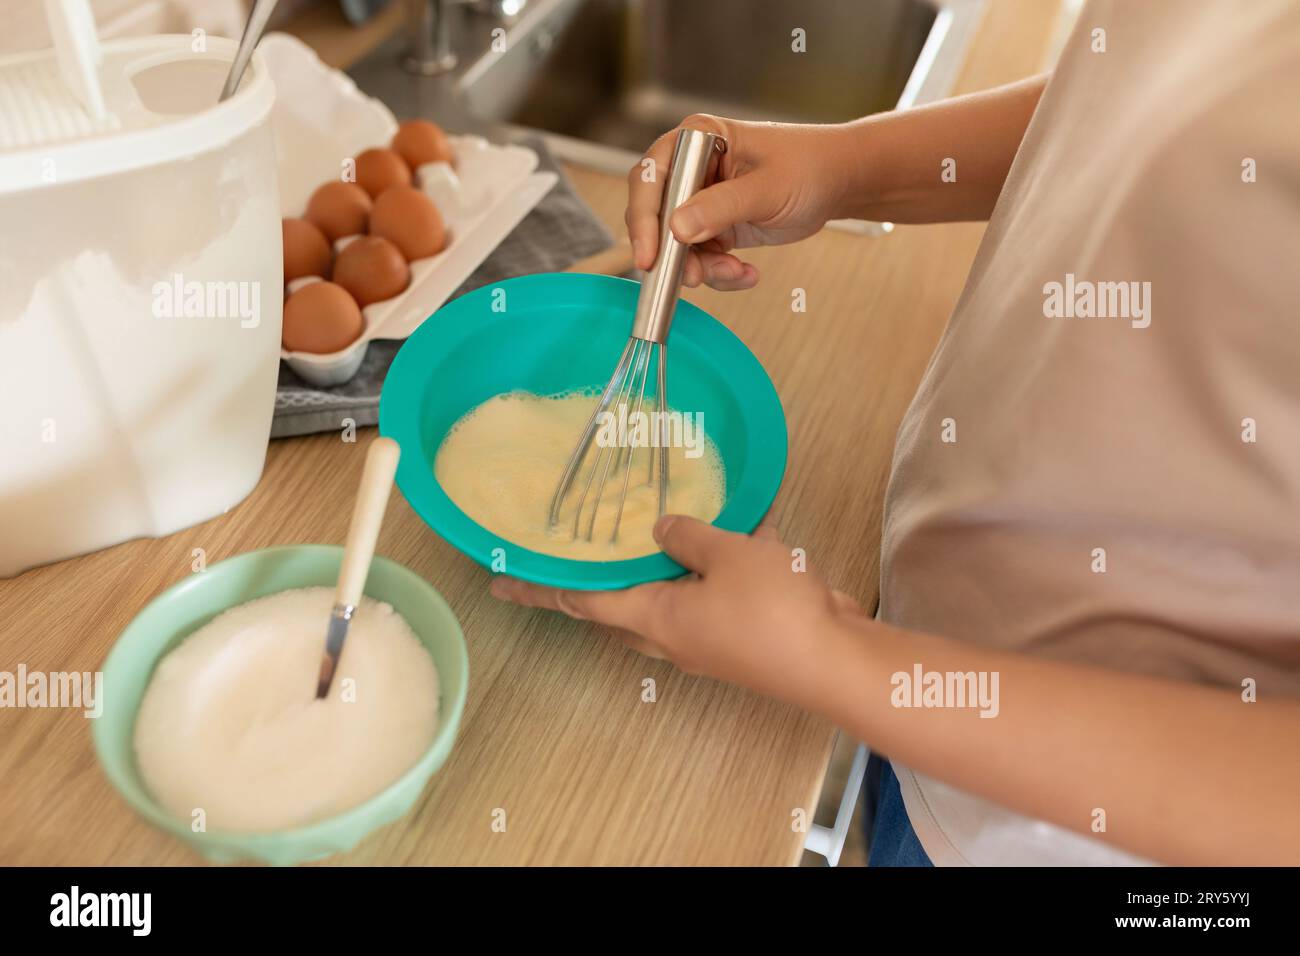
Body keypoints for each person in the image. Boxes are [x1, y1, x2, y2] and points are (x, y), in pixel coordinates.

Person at [492, 0, 1300, 865]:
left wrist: (838, 660)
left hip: (1068, 835)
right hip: (926, 654)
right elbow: (1146, 99)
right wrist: (852, 164)